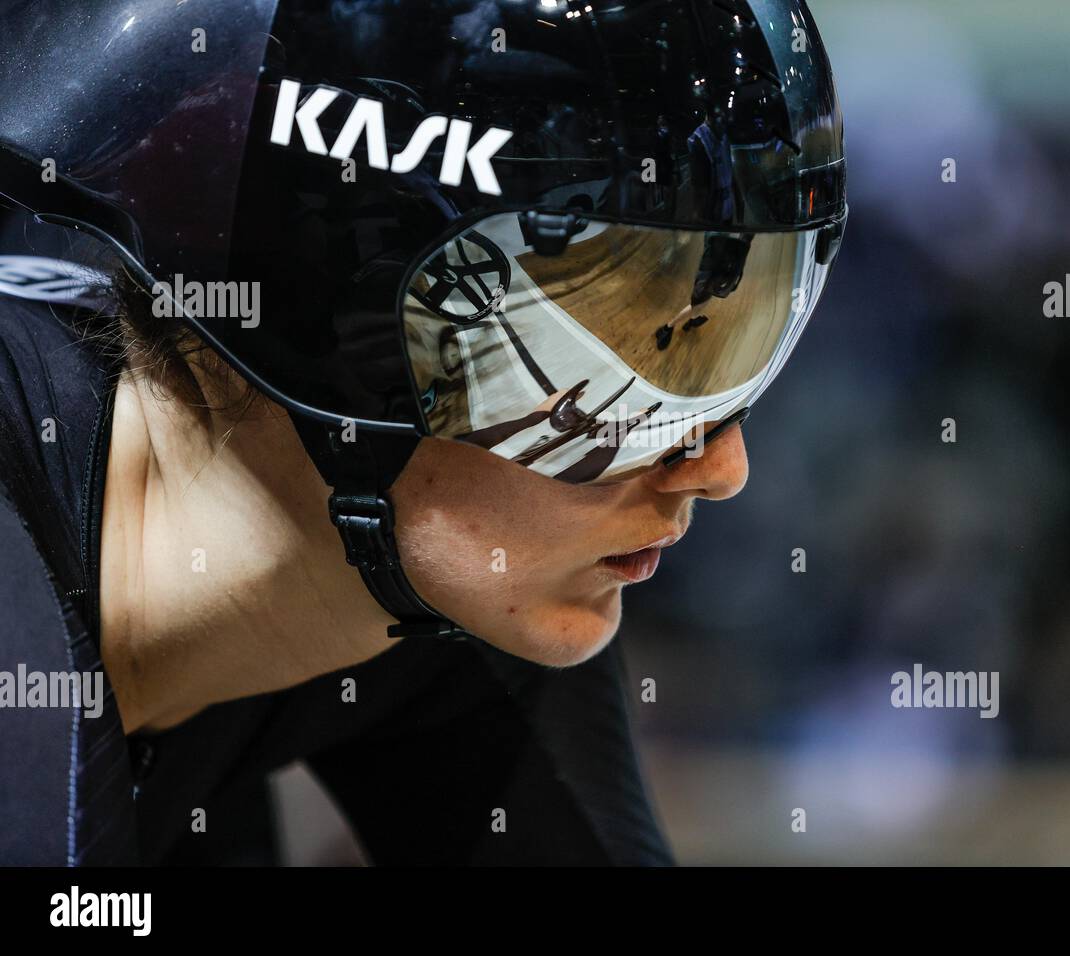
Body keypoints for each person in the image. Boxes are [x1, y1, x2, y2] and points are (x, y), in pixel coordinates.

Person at [0, 0, 846, 865]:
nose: (721, 468)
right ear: (337, 333)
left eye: (736, 352)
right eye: (613, 375)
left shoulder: (465, 578)